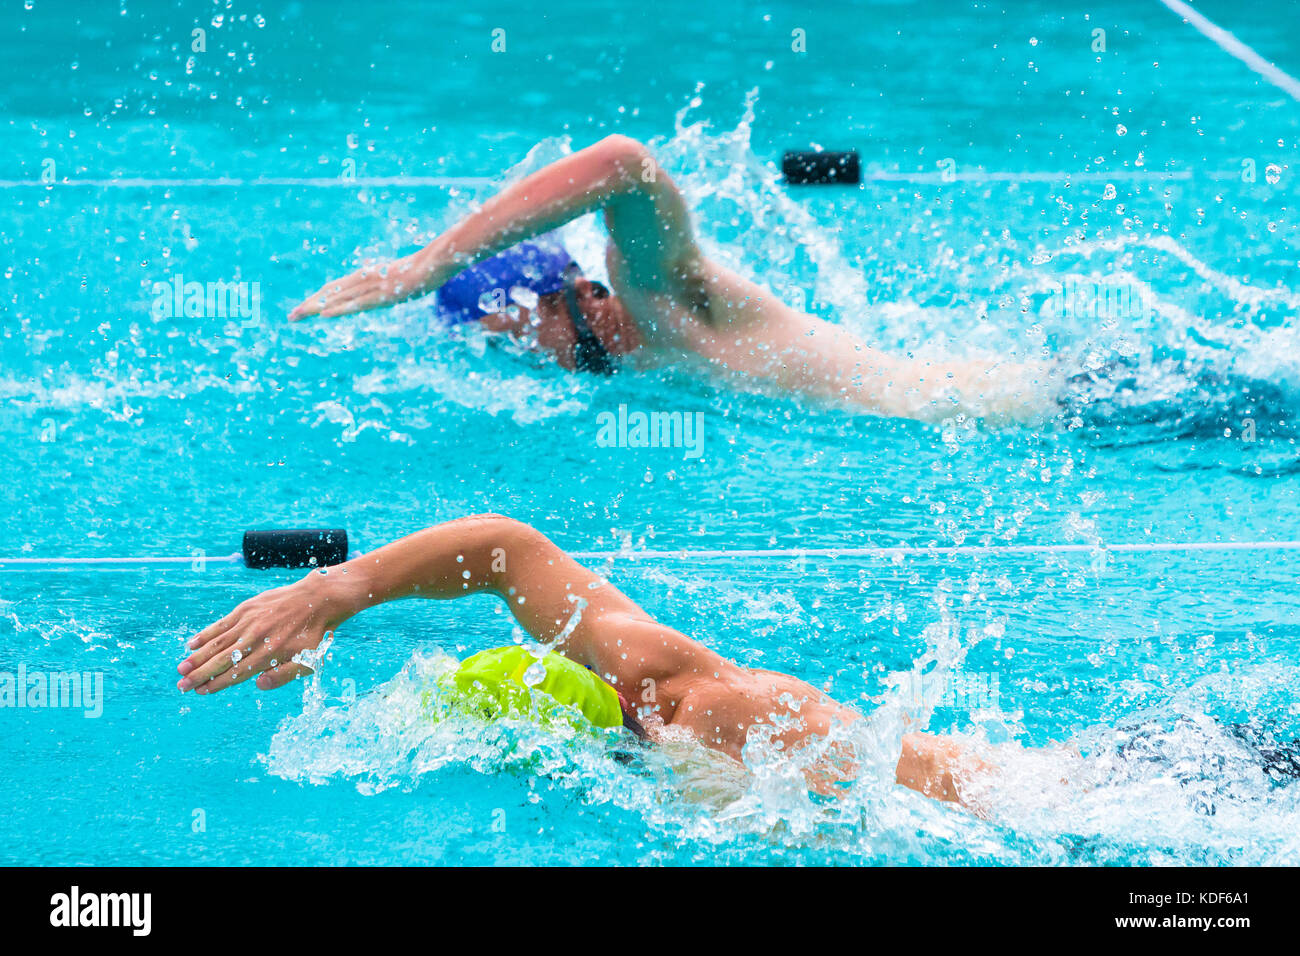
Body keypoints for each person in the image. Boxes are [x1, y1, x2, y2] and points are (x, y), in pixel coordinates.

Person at [176, 514, 992, 807]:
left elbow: (504, 547)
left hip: (1045, 805)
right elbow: (501, 555)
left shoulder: (690, 706)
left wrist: (335, 587)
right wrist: (337, 598)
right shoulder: (654, 737)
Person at [289, 135, 1056, 423]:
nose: (527, 356)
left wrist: (432, 264)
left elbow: (621, 162)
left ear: (569, 295)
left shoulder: (657, 296)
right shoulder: (648, 358)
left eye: (519, 335)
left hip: (1068, 412)